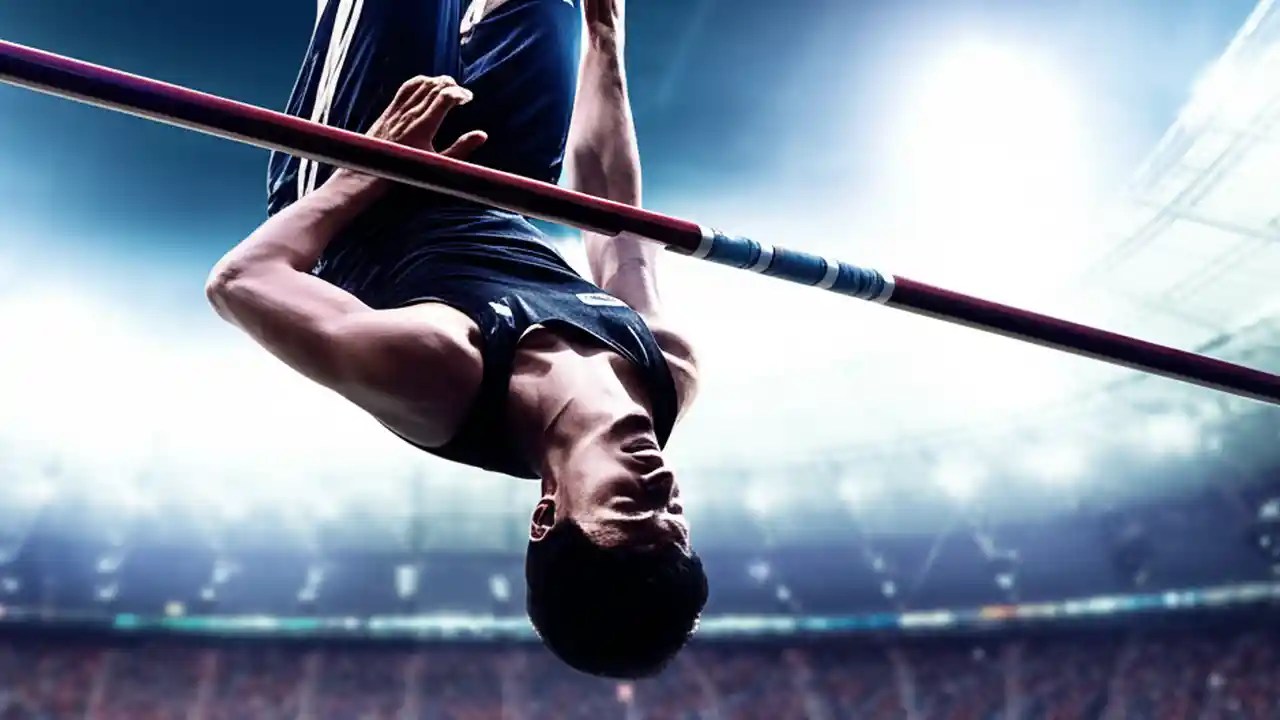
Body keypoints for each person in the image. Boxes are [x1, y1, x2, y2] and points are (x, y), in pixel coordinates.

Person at [204, 0, 708, 678]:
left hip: (372, 172)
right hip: (502, 178)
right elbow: (617, 227)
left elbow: (241, 281)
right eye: (674, 514)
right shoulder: (666, 372)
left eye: (627, 506)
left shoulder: (441, 378)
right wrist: (606, 49)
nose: (660, 482)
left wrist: (371, 161)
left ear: (548, 513)